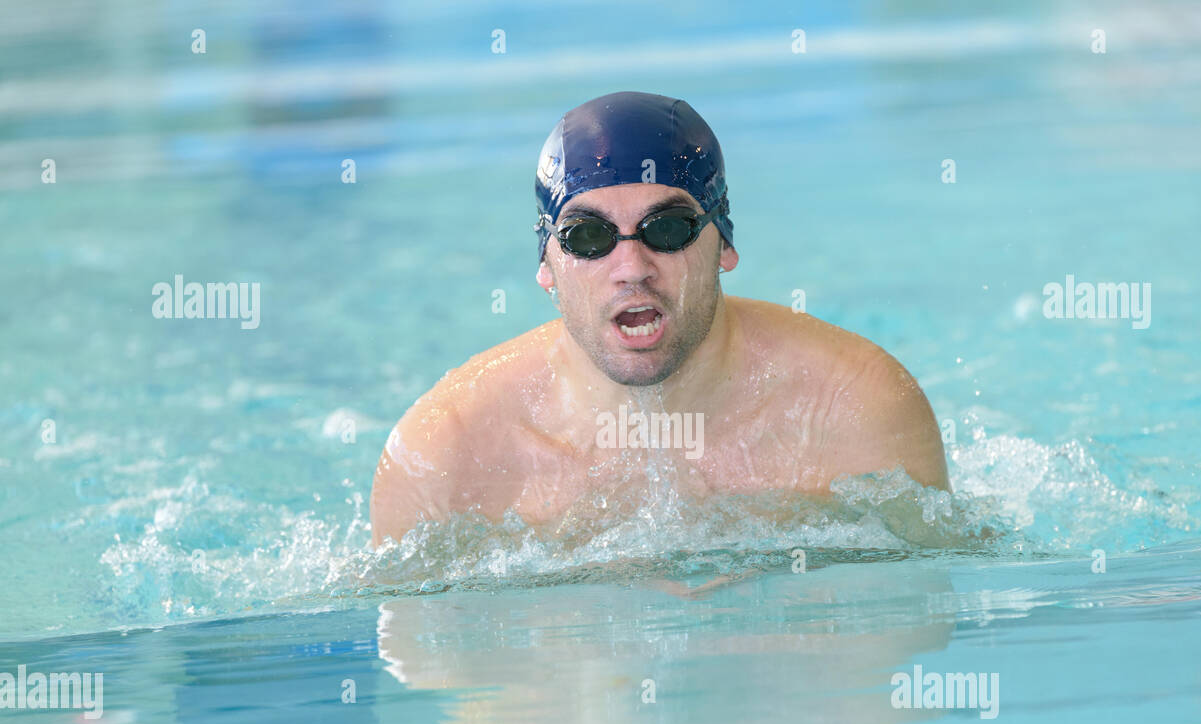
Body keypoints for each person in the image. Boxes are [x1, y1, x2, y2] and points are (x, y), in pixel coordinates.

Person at [371, 91, 949, 546]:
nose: (632, 267)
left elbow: (900, 643)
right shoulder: (444, 454)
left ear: (723, 243)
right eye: (588, 236)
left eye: (666, 229)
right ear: (546, 264)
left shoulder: (855, 408)